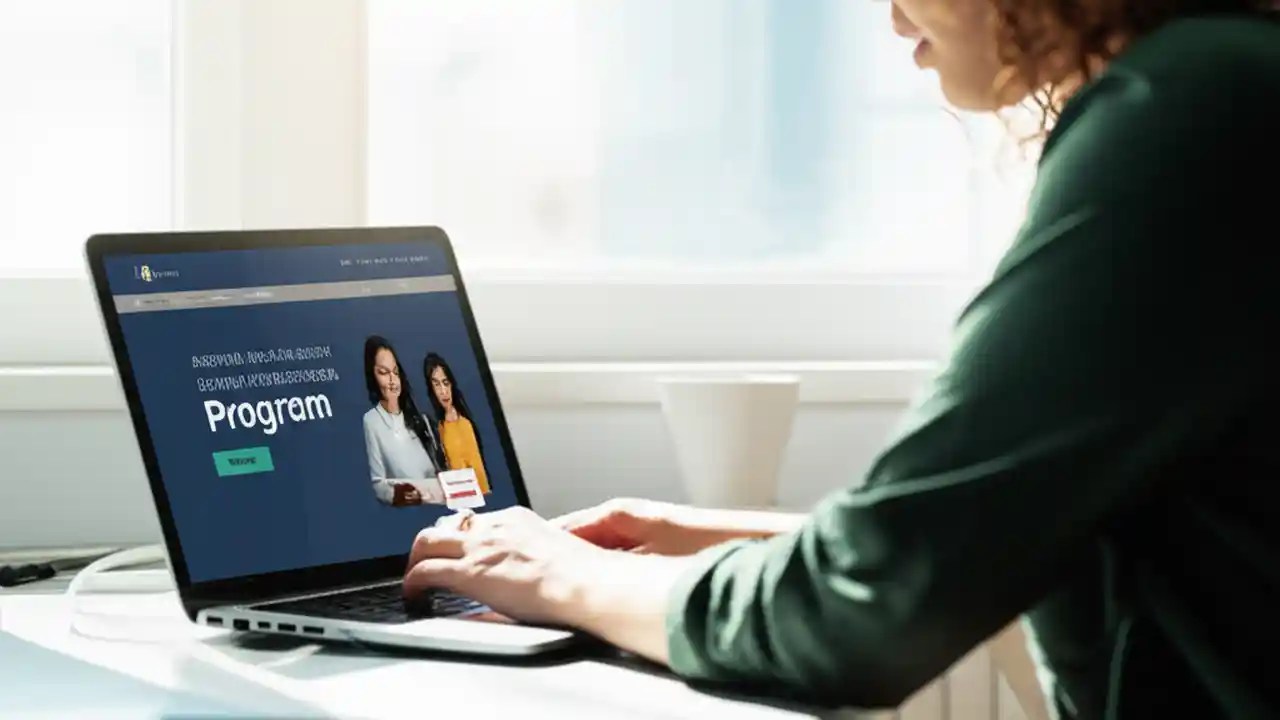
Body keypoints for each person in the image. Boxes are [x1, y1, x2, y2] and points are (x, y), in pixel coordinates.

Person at [402, 2, 1280, 717]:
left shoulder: (1191, 113)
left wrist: (564, 574)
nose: (895, 23)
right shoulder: (1227, 85)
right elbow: (985, 541)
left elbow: (871, 609)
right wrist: (694, 537)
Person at [361, 336, 445, 507]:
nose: (392, 381)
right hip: (409, 512)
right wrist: (397, 494)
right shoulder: (371, 421)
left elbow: (441, 473)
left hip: (438, 506)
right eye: (384, 373)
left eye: (395, 372)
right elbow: (378, 484)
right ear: (372, 376)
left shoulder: (421, 421)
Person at [423, 353, 491, 494]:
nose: (443, 391)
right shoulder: (437, 429)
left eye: (446, 383)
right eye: (436, 384)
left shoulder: (466, 422)